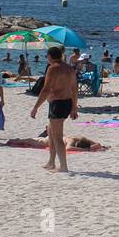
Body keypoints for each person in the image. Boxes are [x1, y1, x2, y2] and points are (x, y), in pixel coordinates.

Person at [31, 45, 79, 173]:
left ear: (50, 56)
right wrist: (74, 107)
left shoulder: (52, 68)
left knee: (57, 136)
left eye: (47, 56)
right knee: (51, 131)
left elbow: (46, 89)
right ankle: (51, 162)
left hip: (57, 104)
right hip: (67, 103)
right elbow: (74, 89)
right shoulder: (69, 68)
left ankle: (63, 166)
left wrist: (36, 107)